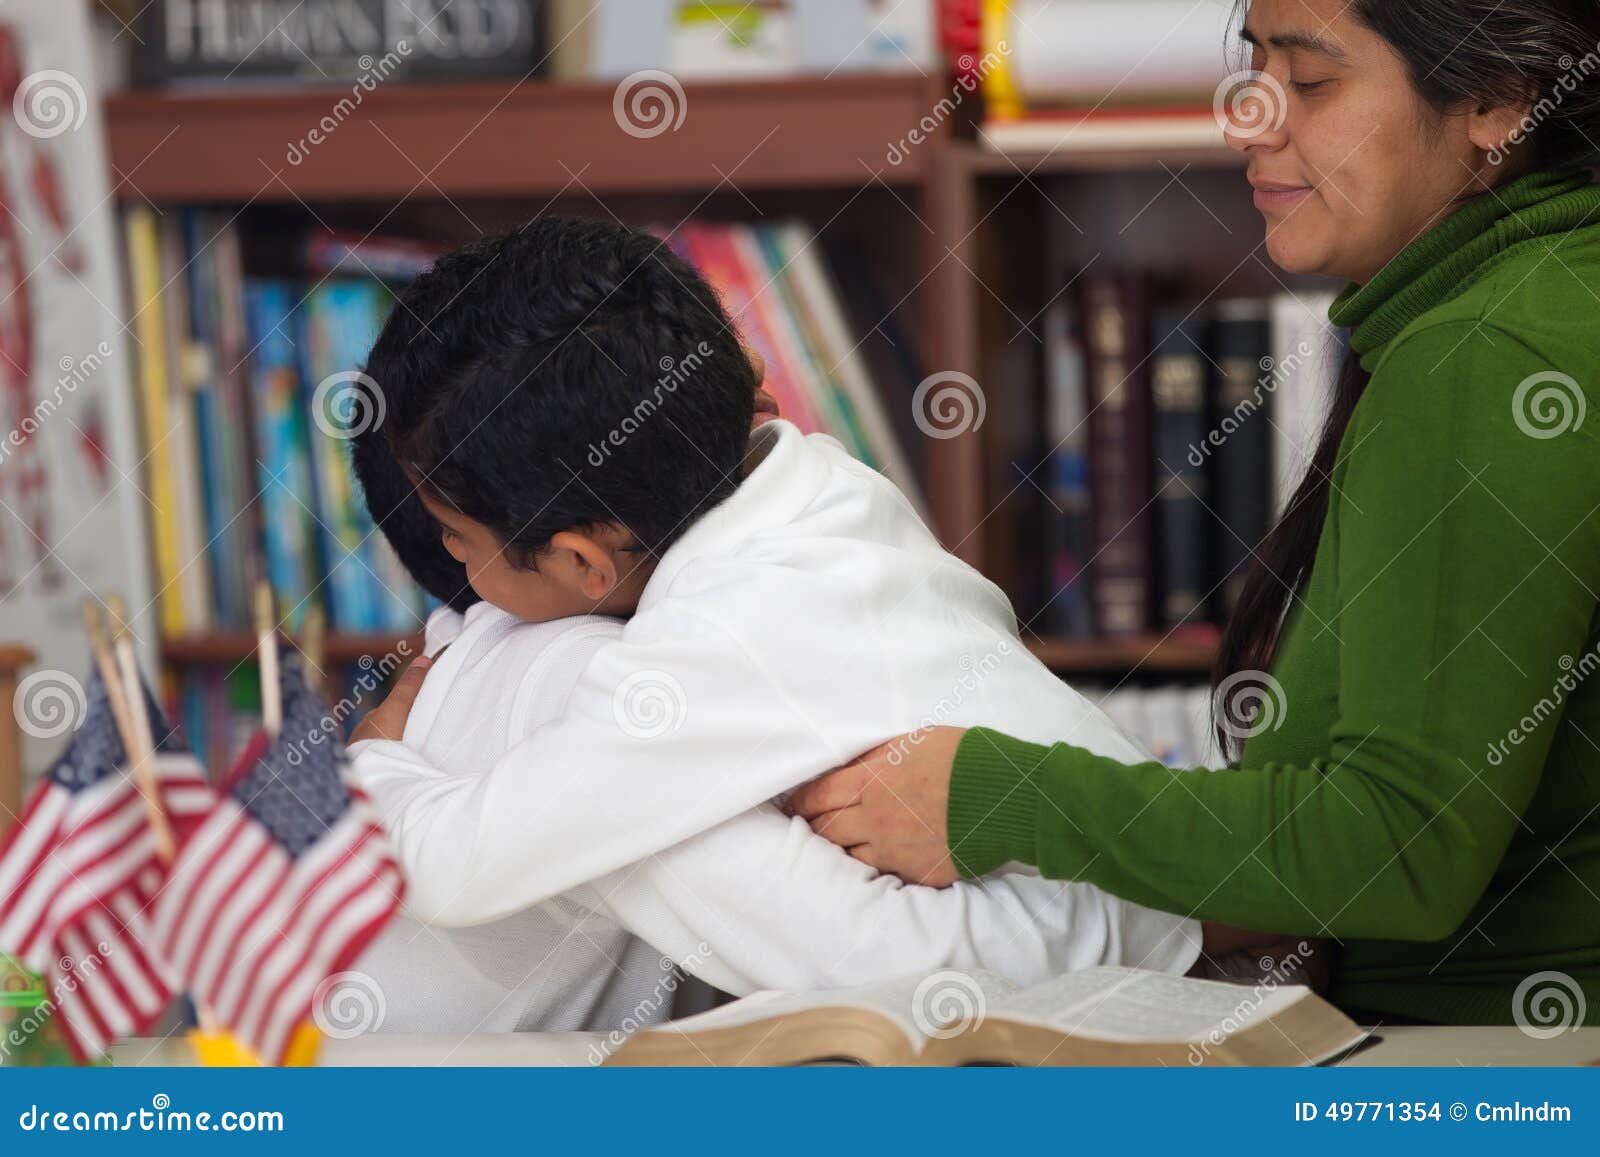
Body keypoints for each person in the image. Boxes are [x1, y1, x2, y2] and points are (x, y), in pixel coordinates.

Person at [792, 0, 1600, 1026]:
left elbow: (1398, 844)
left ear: (1497, 103)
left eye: (1309, 83)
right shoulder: (1529, 305)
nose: (1247, 119)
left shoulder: (1487, 352)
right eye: (1252, 69)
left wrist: (992, 794)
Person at [343, 216, 1252, 1026]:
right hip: (1140, 896)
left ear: (584, 562)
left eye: (457, 543)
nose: (453, 584)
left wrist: (379, 749)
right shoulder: (821, 483)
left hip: (1074, 972)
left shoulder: (699, 653)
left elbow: (451, 866)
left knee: (634, 843)